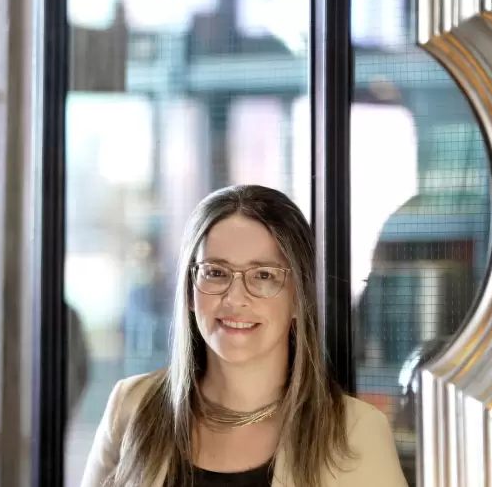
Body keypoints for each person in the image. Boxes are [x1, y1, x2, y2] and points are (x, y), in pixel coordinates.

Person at [81, 185, 407, 487]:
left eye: (263, 275)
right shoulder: (132, 406)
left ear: (299, 298)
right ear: (190, 291)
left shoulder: (357, 432)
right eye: (216, 272)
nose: (235, 298)